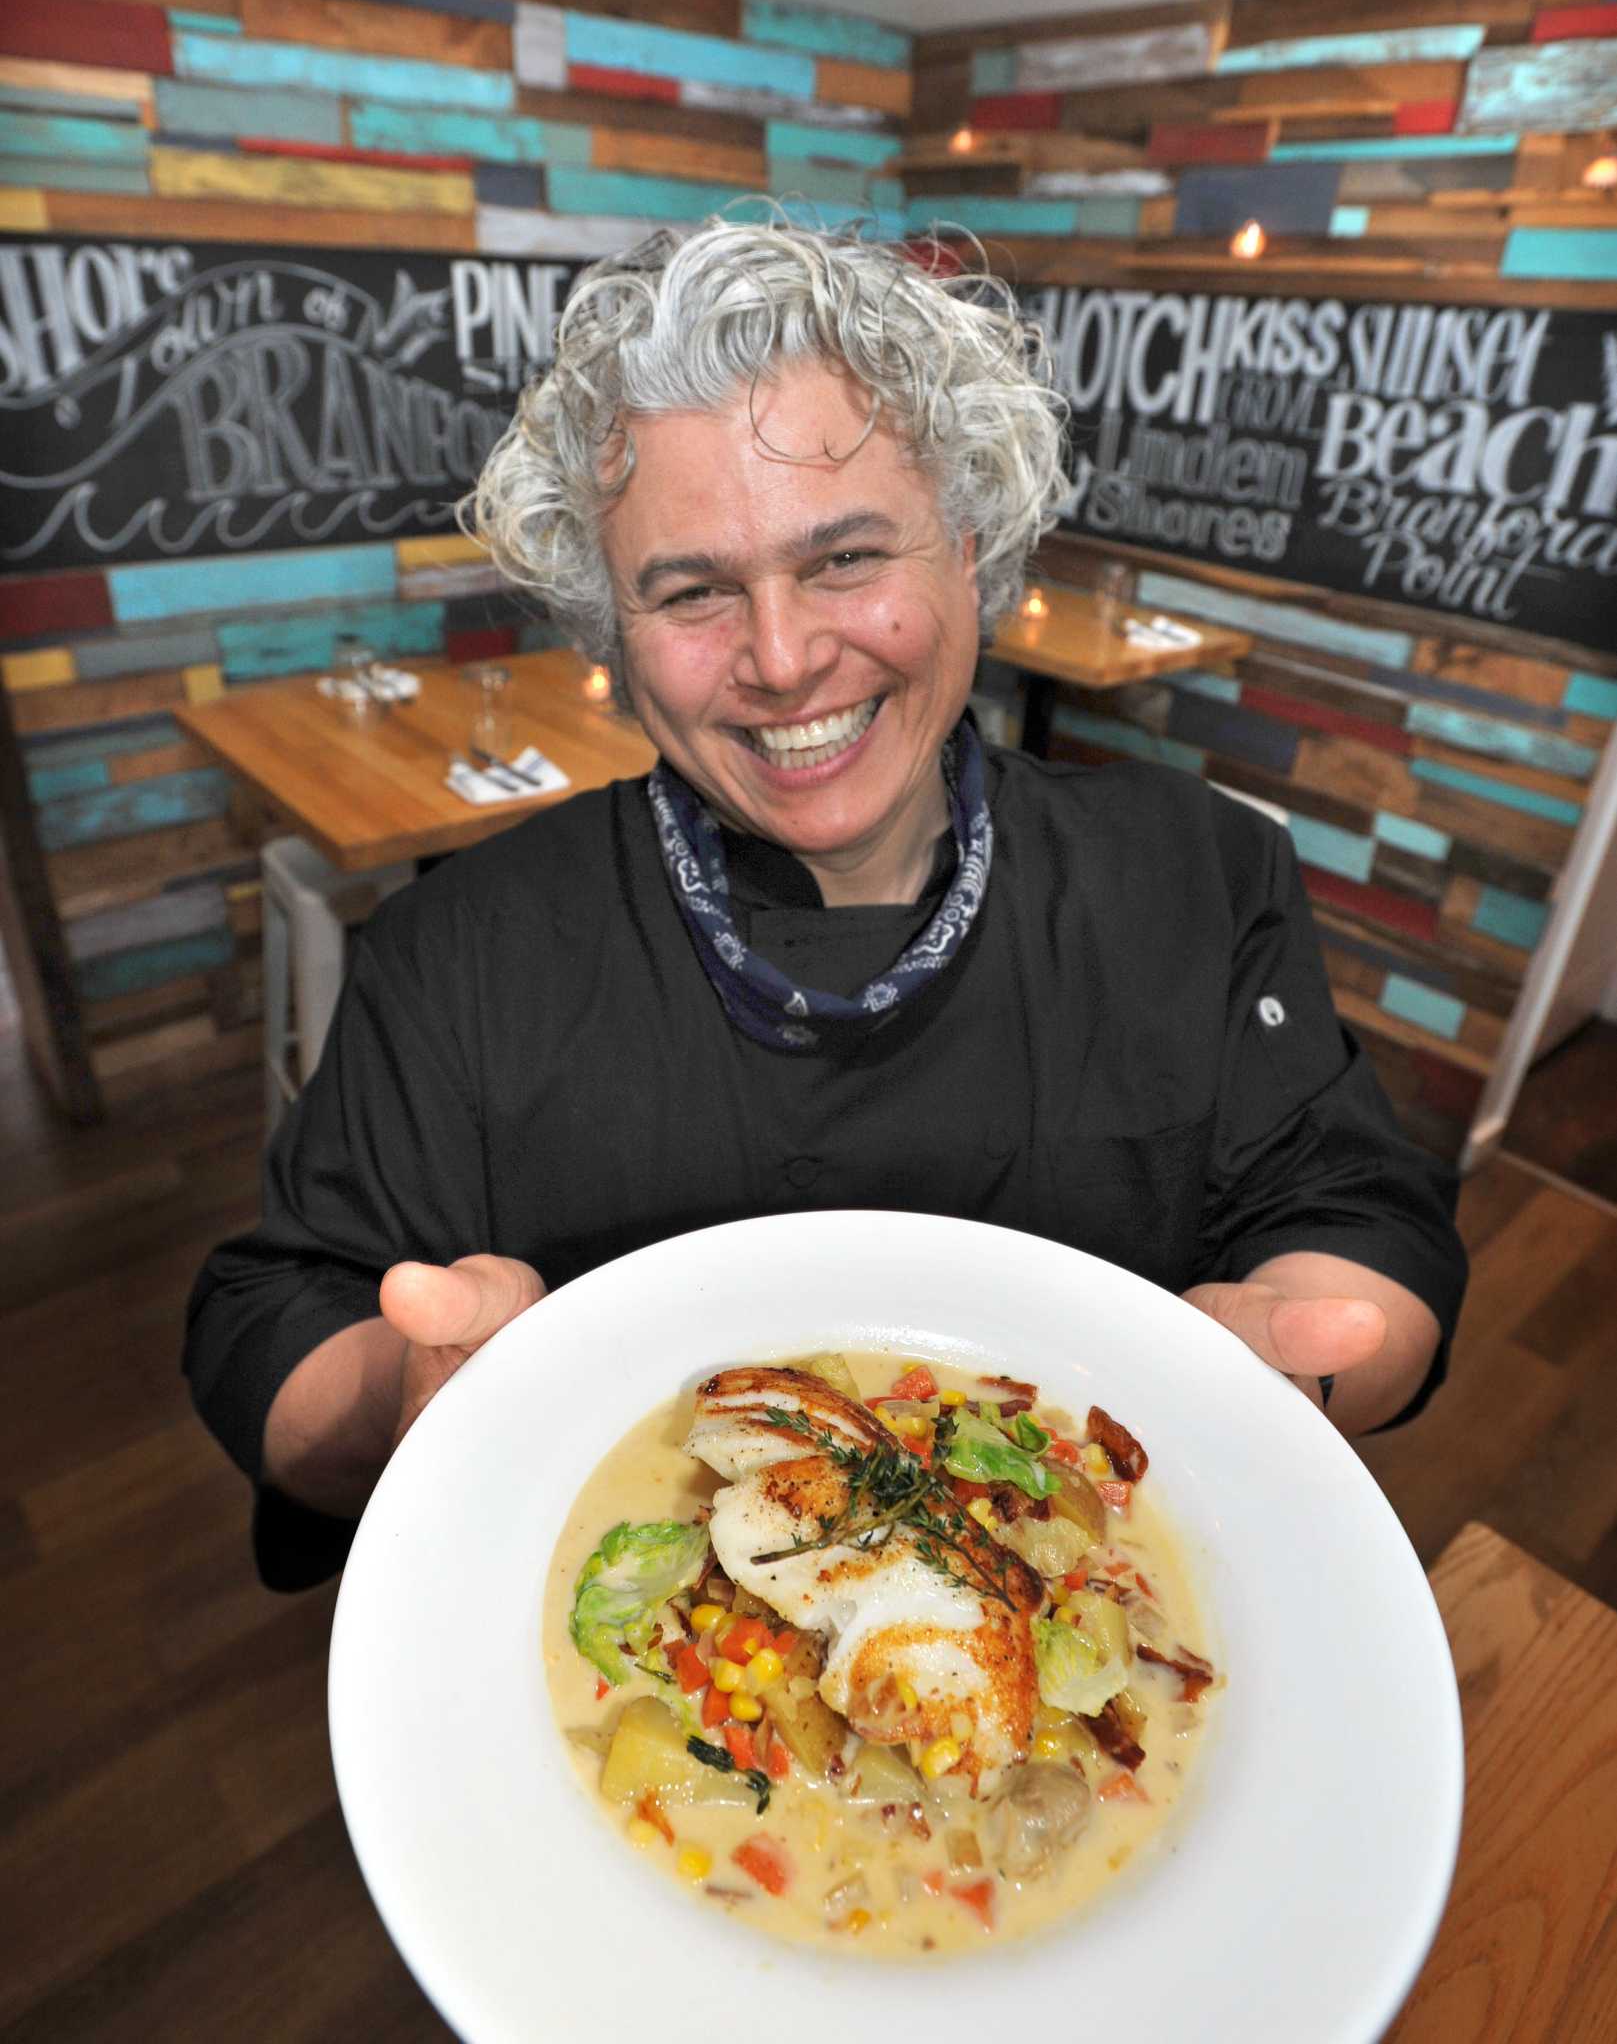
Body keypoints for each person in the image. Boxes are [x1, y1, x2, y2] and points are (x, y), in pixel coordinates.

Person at [185, 220, 1466, 1588]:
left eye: (846, 559)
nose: (784, 658)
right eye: (692, 591)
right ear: (612, 633)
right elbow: (268, 1319)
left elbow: (1354, 1221)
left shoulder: (1193, 870)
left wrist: (1304, 1354)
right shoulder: (465, 948)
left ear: (968, 547)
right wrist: (410, 1392)